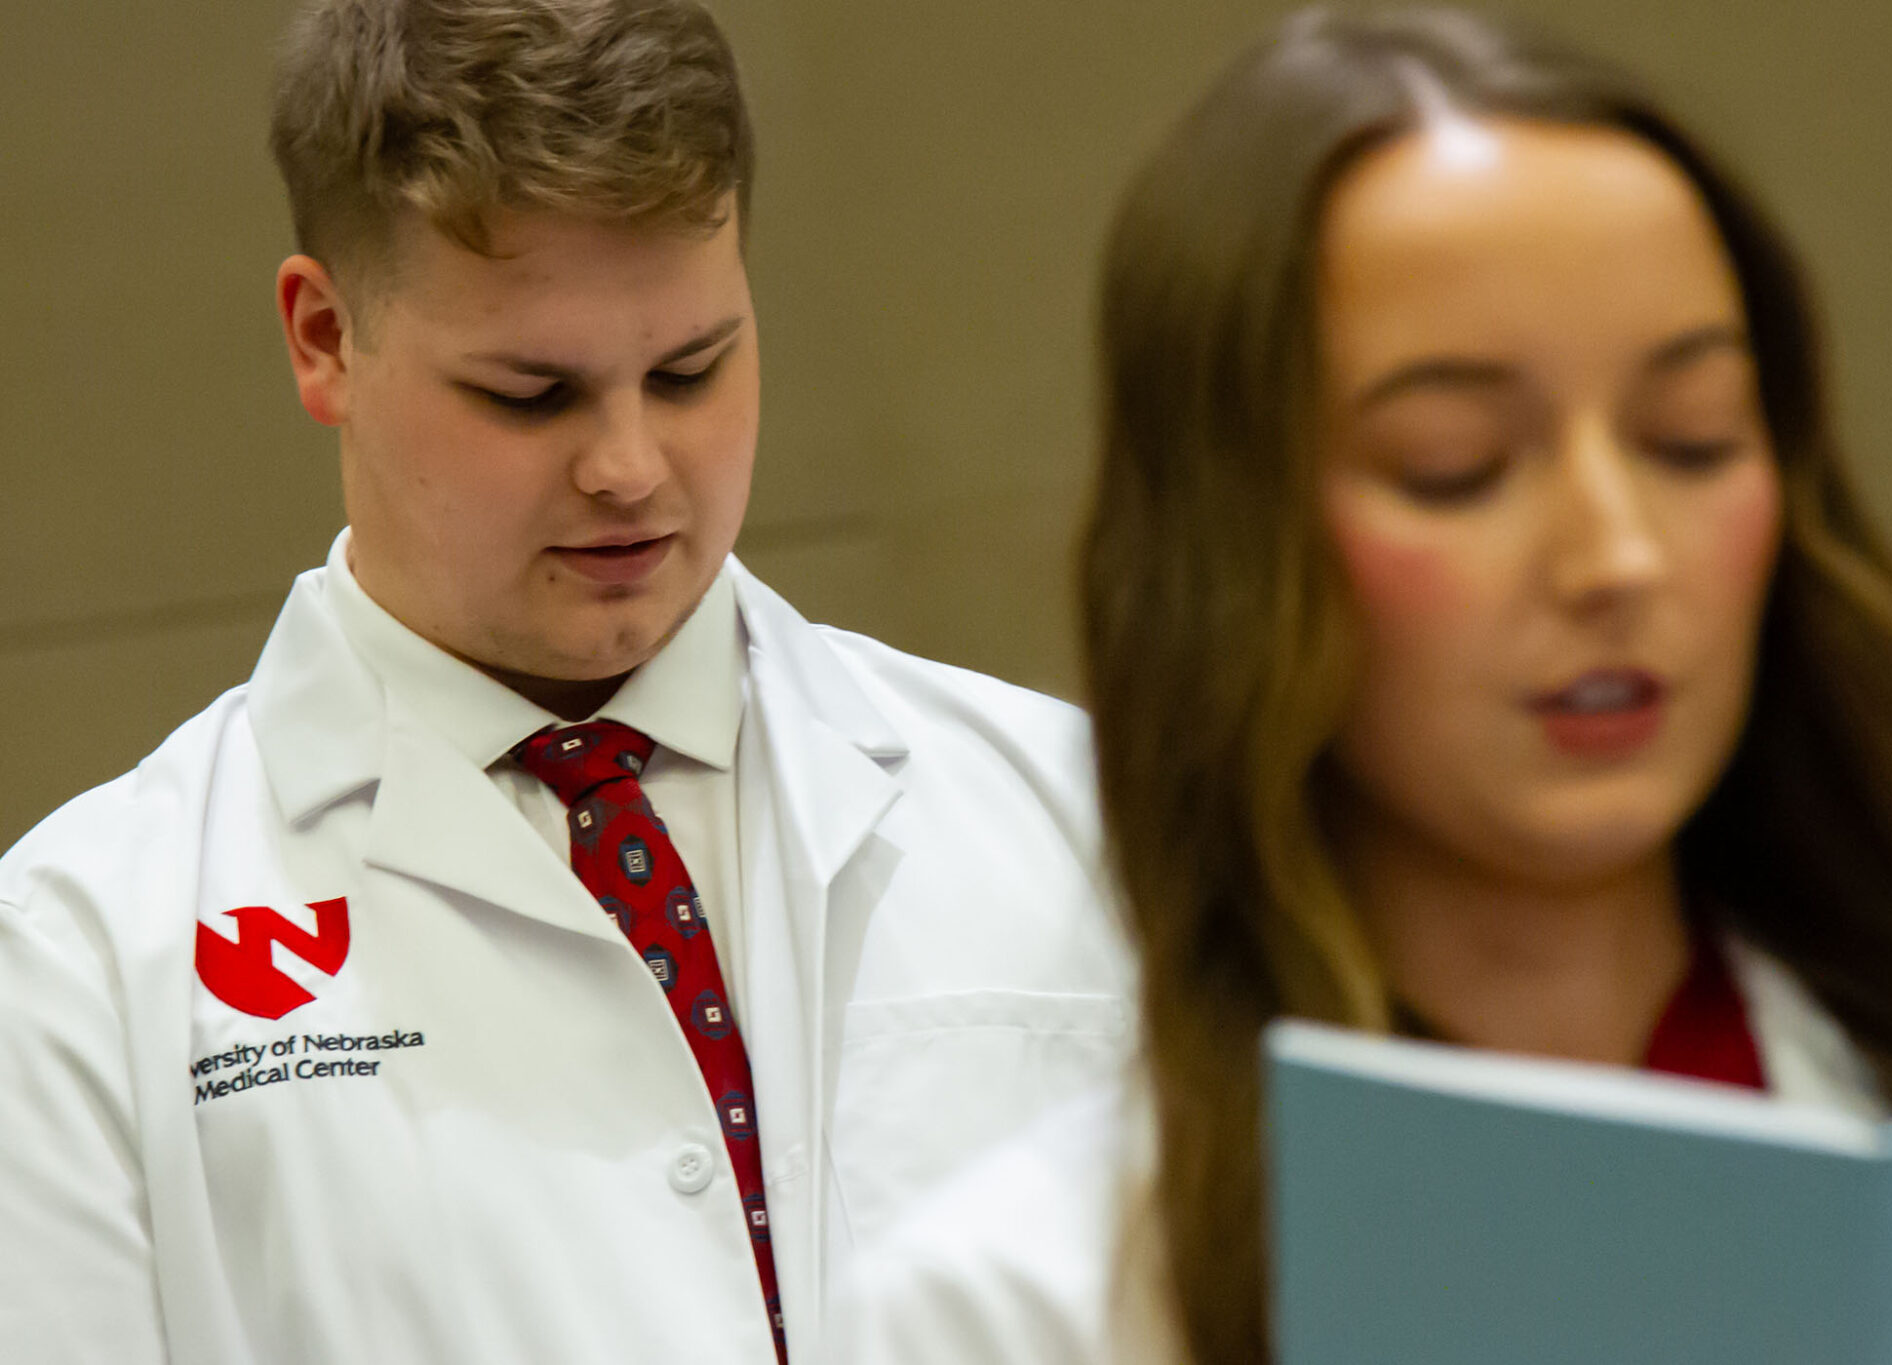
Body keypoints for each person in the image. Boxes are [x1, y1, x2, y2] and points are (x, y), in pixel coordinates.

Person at [830, 7, 1892, 1363]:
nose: (1617, 556)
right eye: (1454, 464)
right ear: (1235, 548)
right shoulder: (1018, 1305)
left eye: (1690, 439)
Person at [0, 2, 1132, 1362]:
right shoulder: (75, 964)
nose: (630, 467)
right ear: (323, 338)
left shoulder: (1073, 815)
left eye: (691, 369)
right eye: (532, 394)